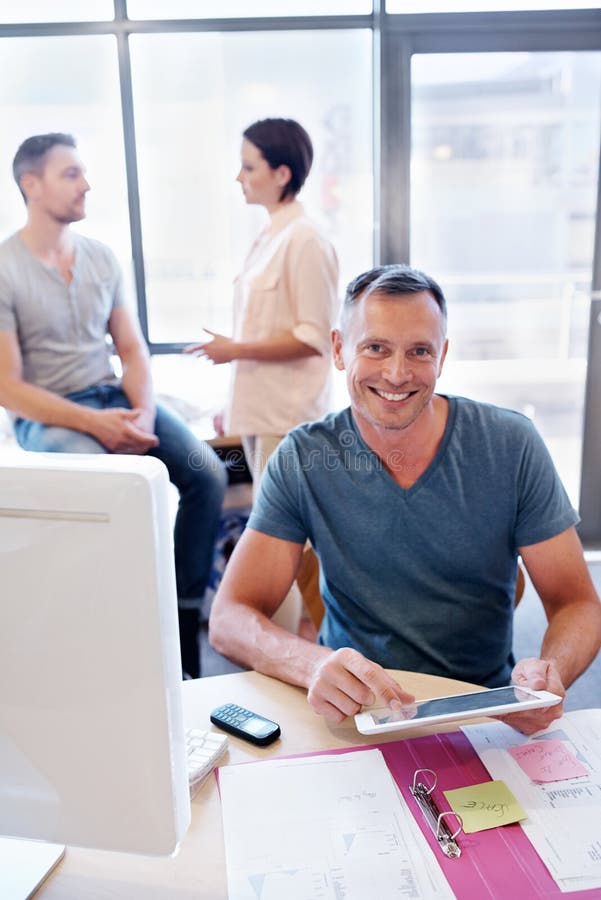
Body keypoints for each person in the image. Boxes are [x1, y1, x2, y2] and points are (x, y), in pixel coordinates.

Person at [209, 263, 601, 734]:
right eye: (375, 348)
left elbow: (577, 603)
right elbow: (230, 617)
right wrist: (310, 664)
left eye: (420, 351)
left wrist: (552, 672)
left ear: (443, 356)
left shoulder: (511, 444)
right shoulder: (303, 457)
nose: (397, 374)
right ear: (338, 349)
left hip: (480, 714)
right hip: (354, 714)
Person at [0, 132, 227, 679]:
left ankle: (180, 616)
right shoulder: (5, 267)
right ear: (32, 184)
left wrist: (142, 413)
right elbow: (8, 387)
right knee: (118, 487)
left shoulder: (101, 257)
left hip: (114, 398)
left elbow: (131, 349)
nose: (87, 184)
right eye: (71, 174)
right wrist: (97, 424)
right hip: (49, 415)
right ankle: (117, 639)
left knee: (209, 474)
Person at [187, 117, 339, 633]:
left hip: (290, 418)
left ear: (280, 172)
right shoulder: (273, 235)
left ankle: (286, 660)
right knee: (274, 544)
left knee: (279, 548)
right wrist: (237, 396)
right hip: (262, 413)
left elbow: (313, 336)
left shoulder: (306, 240)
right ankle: (281, 660)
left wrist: (234, 351)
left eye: (248, 166)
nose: (239, 178)